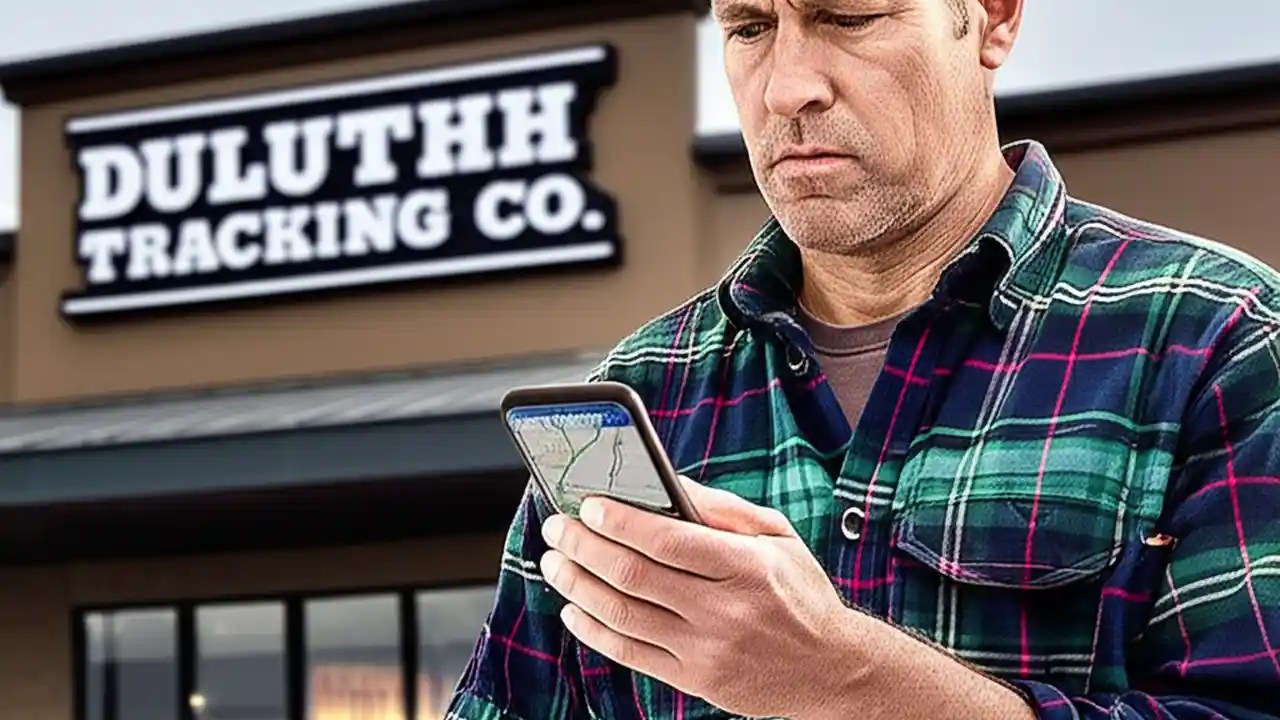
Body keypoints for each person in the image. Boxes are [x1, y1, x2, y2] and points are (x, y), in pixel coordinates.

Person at [447, 0, 1280, 718]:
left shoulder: (1215, 339)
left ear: (992, 17)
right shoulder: (646, 389)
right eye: (747, 27)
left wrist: (842, 676)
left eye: (847, 17)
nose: (786, 86)